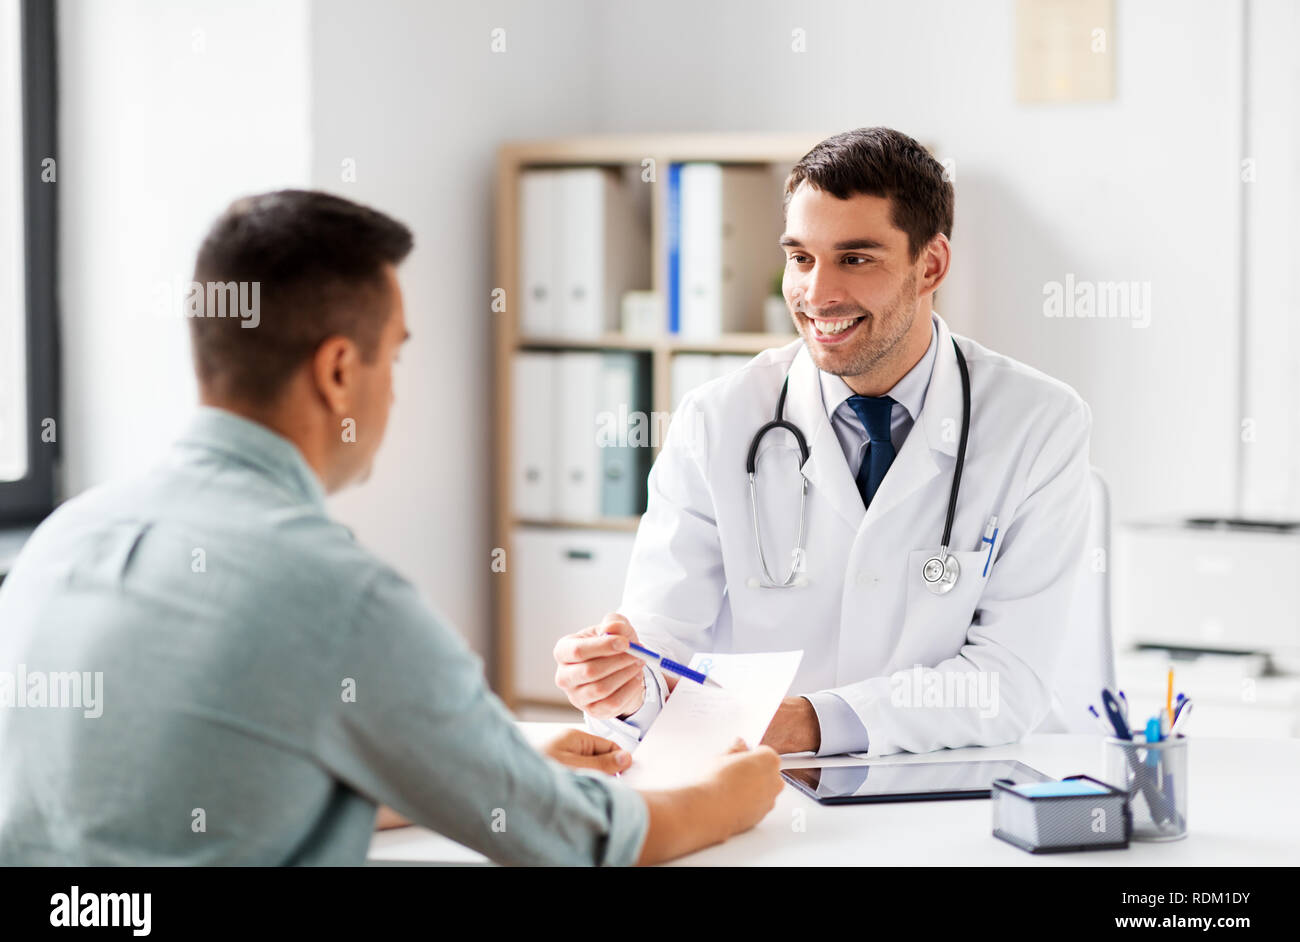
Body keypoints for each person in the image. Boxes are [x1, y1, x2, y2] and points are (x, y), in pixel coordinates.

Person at [0, 190, 780, 866]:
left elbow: (208, 790)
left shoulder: (62, 542)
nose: (393, 396)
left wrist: (489, 765)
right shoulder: (337, 595)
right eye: (393, 360)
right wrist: (724, 797)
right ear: (340, 370)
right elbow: (576, 841)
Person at [555, 127, 1094, 758]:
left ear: (933, 265)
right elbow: (661, 642)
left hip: (945, 794)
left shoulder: (1039, 422)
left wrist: (806, 722)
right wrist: (623, 685)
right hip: (762, 790)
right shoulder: (717, 420)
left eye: (855, 259)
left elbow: (1009, 680)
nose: (817, 295)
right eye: (801, 258)